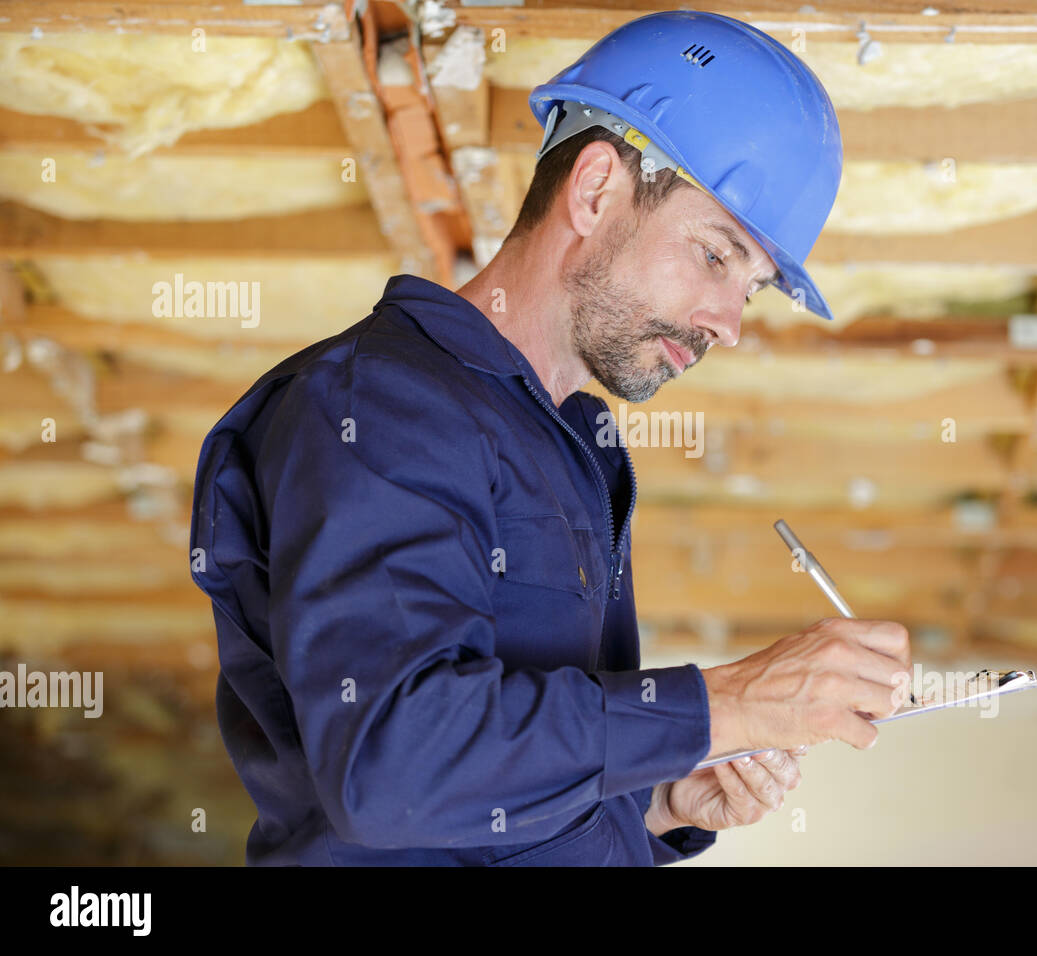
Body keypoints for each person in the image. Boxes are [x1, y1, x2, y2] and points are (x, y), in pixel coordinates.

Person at [190, 10, 911, 866]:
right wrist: (730, 703)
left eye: (751, 290)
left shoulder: (573, 449)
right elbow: (395, 763)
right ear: (597, 187)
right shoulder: (382, 402)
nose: (729, 323)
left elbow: (492, 796)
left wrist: (655, 801)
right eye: (718, 256)